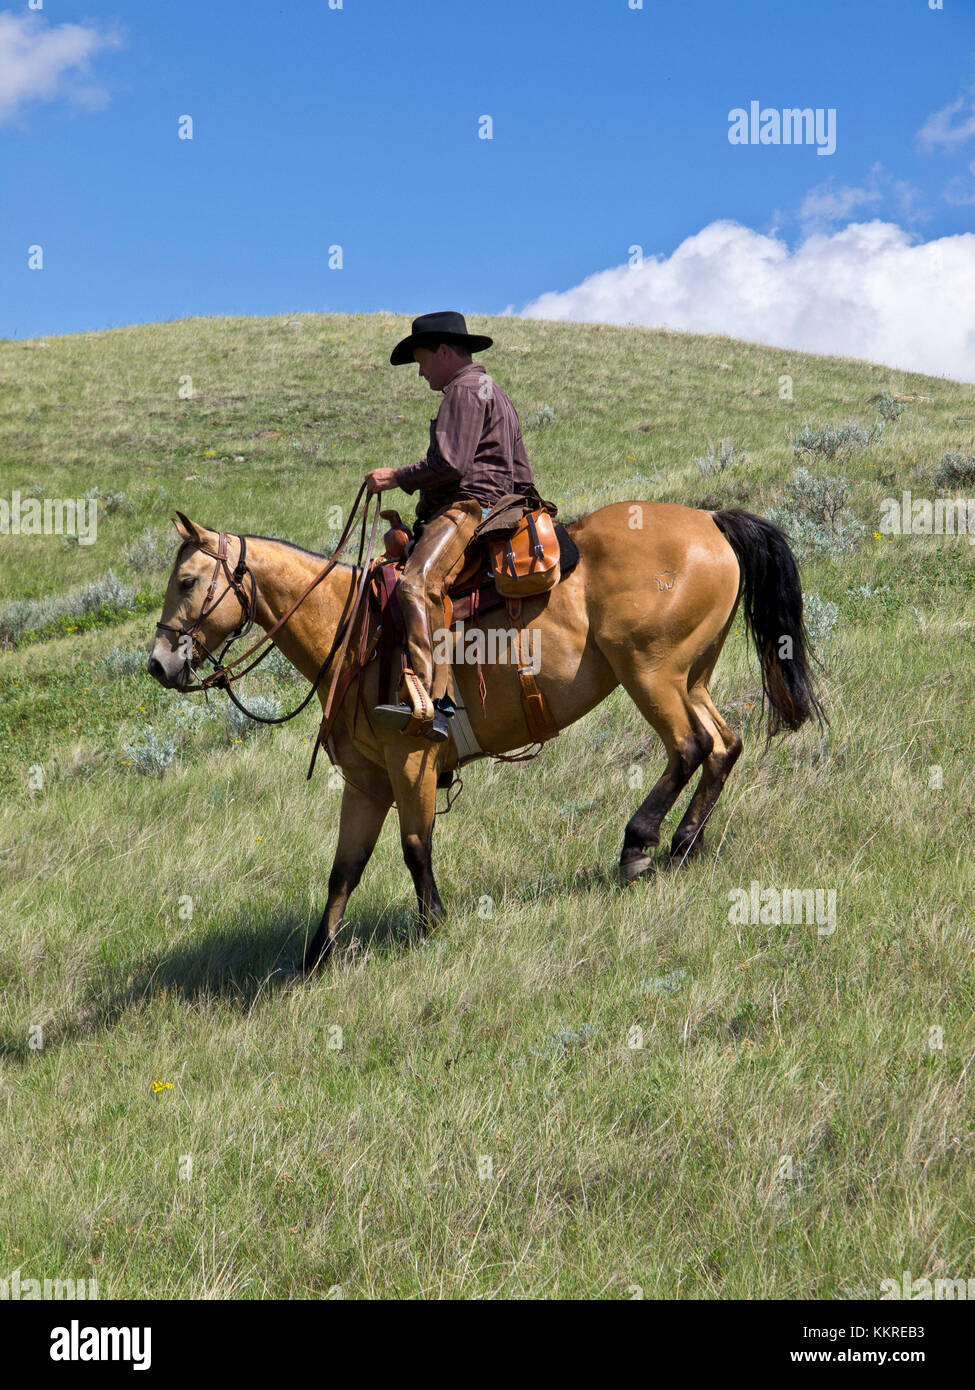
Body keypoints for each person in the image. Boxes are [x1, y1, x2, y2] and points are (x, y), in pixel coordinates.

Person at [365, 310, 537, 741]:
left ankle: (427, 701)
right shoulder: (492, 390)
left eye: (421, 360)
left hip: (469, 508)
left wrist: (395, 477)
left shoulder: (463, 389)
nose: (420, 372)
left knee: (415, 585)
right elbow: (523, 474)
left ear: (444, 351)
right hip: (498, 505)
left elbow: (450, 464)